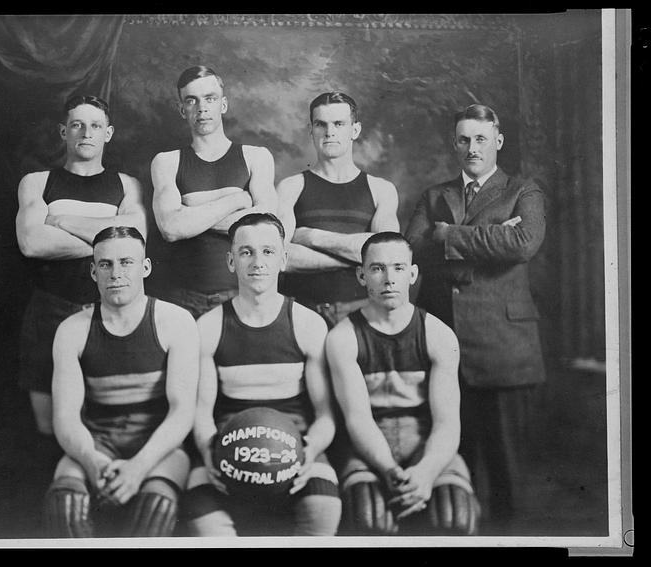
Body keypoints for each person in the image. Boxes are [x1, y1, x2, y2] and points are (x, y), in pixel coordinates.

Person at [404, 104, 546, 533]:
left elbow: (522, 244)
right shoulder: (433, 195)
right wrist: (490, 240)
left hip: (502, 341)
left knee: (505, 469)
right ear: (454, 144)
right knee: (453, 454)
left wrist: (447, 235)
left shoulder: (524, 191)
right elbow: (412, 250)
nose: (472, 148)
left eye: (481, 138)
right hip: (443, 338)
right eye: (464, 139)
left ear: (498, 142)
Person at [181, 213, 341, 536]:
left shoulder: (309, 325)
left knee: (324, 511)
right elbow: (201, 412)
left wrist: (310, 450)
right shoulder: (209, 327)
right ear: (230, 261)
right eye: (246, 252)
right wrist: (209, 453)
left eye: (268, 252)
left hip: (295, 450)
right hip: (225, 450)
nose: (257, 262)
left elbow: (326, 415)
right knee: (204, 523)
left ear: (283, 259)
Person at [15, 95, 147, 468]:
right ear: (64, 132)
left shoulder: (127, 185)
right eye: (76, 125)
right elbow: (32, 242)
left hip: (107, 317)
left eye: (94, 126)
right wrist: (107, 239)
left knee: (105, 419)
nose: (86, 133)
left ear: (108, 133)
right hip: (49, 311)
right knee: (47, 425)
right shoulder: (38, 182)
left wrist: (64, 222)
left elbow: (136, 243)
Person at [42, 226, 198, 538]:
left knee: (157, 506)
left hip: (159, 446)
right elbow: (65, 418)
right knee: (66, 502)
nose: (116, 273)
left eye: (127, 262)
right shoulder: (72, 330)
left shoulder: (176, 322)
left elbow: (182, 412)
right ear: (93, 271)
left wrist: (138, 467)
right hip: (97, 443)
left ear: (145, 267)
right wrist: (92, 461)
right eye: (106, 264)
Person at [325, 232, 478, 536]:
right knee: (367, 515)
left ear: (412, 274)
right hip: (367, 447)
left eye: (398, 268)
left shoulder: (438, 335)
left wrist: (427, 471)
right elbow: (358, 420)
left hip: (425, 442)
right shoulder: (342, 337)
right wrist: (390, 471)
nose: (389, 279)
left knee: (454, 515)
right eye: (377, 268)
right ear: (362, 275)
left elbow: (448, 422)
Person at [150, 65, 278, 320]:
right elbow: (171, 228)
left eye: (210, 98)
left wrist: (190, 214)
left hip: (242, 296)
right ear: (181, 109)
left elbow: (264, 227)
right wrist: (238, 200)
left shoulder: (256, 157)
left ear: (224, 104)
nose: (202, 107)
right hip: (180, 297)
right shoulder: (167, 161)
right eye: (191, 100)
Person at [277, 91, 400, 328]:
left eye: (339, 124)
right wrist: (356, 260)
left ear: (355, 130)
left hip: (362, 318)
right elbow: (280, 258)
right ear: (311, 130)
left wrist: (312, 237)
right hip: (300, 315)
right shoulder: (290, 187)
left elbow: (386, 256)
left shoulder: (381, 190)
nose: (329, 131)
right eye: (321, 124)